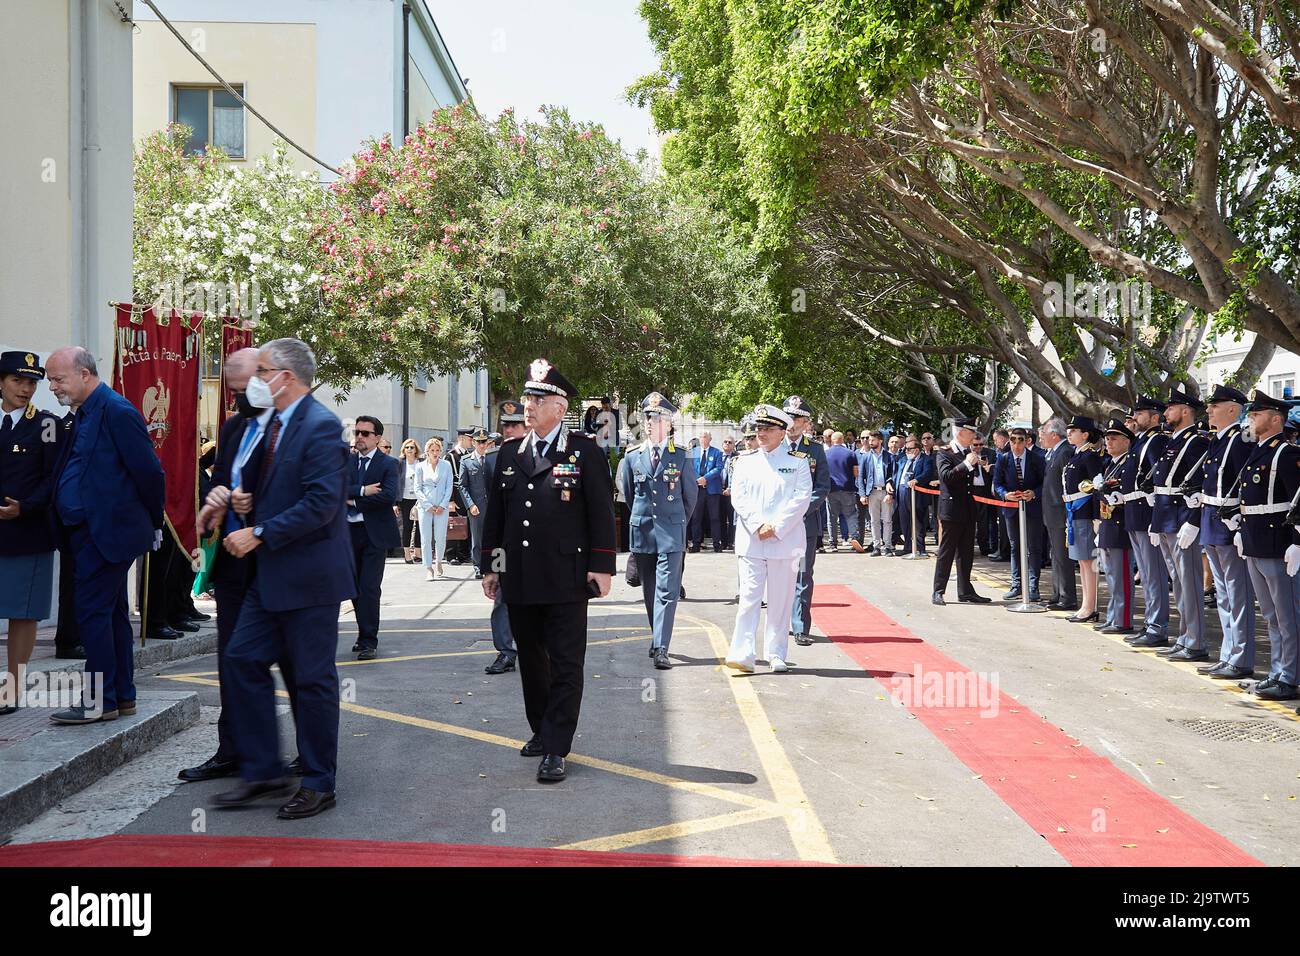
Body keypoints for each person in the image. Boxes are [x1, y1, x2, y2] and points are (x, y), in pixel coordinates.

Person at [211, 337, 354, 820]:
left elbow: (321, 504)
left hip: (309, 577)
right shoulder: (270, 423)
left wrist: (261, 531)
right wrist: (242, 500)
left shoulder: (321, 426)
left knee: (312, 680)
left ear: (285, 378)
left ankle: (318, 781)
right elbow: (267, 483)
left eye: (263, 370)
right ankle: (263, 770)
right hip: (268, 575)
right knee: (241, 658)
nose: (255, 379)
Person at [480, 359, 615, 783]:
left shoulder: (583, 451)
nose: (529, 406)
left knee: (566, 663)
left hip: (567, 577)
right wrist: (493, 569)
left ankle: (557, 746)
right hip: (519, 577)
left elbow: (600, 512)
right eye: (526, 398)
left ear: (560, 406)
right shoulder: (507, 454)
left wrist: (601, 567)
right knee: (532, 662)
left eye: (538, 399)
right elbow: (496, 520)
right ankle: (542, 729)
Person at [46, 347, 164, 725]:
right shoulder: (82, 413)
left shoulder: (117, 411)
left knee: (92, 615)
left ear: (84, 374)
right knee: (111, 616)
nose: (51, 387)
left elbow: (149, 472)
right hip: (87, 532)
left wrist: (155, 523)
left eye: (57, 379)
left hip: (107, 533)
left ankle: (99, 700)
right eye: (50, 379)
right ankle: (121, 695)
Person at [182, 348, 270, 781]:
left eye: (243, 387)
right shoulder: (234, 427)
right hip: (234, 566)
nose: (236, 398)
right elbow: (219, 479)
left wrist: (257, 512)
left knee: (299, 668)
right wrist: (216, 499)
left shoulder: (291, 426)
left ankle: (306, 761)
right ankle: (232, 750)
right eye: (233, 390)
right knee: (233, 660)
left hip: (278, 563)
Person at [726, 404, 812, 672]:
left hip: (784, 542)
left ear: (782, 431)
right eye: (759, 429)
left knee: (780, 601)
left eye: (767, 429)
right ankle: (743, 653)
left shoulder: (798, 462)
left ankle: (776, 653)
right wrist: (758, 525)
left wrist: (775, 526)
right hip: (752, 541)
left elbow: (801, 498)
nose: (761, 433)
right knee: (749, 599)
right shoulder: (744, 461)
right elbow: (738, 497)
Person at [0, 352, 61, 715]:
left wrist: (26, 507)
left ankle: (13, 687)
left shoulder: (48, 425)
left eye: (32, 382)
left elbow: (54, 478)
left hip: (27, 530)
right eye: (18, 381)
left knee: (22, 613)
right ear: (1, 383)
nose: (26, 389)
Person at [1232, 390, 1300, 701]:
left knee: (1288, 616)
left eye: (1256, 415)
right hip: (1255, 541)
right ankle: (1277, 671)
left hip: (1277, 544)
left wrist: (1297, 541)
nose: (1250, 419)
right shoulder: (1258, 452)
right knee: (1272, 615)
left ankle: (1289, 676)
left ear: (1275, 419)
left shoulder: (1286, 454)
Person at [621, 392, 697, 670]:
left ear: (669, 424)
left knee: (667, 592)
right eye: (648, 418)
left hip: (671, 533)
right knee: (650, 592)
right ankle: (657, 637)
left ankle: (661, 647)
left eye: (659, 418)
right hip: (643, 532)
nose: (652, 423)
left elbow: (690, 499)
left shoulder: (682, 457)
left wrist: (675, 523)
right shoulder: (632, 457)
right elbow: (630, 495)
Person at [1192, 385, 1255, 679]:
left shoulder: (1240, 439)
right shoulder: (1217, 440)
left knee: (1237, 592)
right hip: (1212, 521)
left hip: (1227, 523)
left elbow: (1245, 487)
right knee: (1223, 594)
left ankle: (1240, 657)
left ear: (1233, 409)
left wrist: (1240, 523)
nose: (1208, 409)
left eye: (1215, 405)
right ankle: (1228, 654)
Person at [1148, 388, 1210, 661]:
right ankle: (1185, 636)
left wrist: (1192, 521)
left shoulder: (1196, 441)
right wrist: (1155, 522)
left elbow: (1196, 486)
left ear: (1185, 411)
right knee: (1179, 582)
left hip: (1181, 518)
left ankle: (1195, 641)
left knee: (1189, 581)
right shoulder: (1172, 441)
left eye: (1170, 408)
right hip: (1165, 517)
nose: (1165, 413)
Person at [346, 415, 399, 661]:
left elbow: (388, 496)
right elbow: (336, 488)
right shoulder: (347, 461)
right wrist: (362, 491)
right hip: (348, 533)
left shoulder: (388, 464)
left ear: (377, 437)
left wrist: (354, 500)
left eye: (365, 433)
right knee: (354, 588)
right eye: (357, 432)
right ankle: (362, 633)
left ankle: (369, 640)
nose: (359, 437)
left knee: (368, 587)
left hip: (374, 534)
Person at [1119, 396, 1171, 646]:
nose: (1134, 418)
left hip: (1145, 512)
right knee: (1147, 573)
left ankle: (1158, 626)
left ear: (1154, 417)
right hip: (1133, 511)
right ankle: (1151, 622)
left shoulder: (1157, 440)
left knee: (1154, 573)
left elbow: (1156, 478)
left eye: (1140, 414)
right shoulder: (1141, 440)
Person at [483, 400, 526, 675]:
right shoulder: (493, 458)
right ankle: (505, 652)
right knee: (502, 599)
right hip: (505, 547)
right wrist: (490, 564)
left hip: (537, 547)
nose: (509, 430)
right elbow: (494, 513)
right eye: (505, 425)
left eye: (515, 425)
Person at [783, 396, 830, 647]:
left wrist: (800, 511)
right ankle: (779, 624)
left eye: (797, 419)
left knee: (802, 574)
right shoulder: (774, 445)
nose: (792, 423)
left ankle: (800, 627)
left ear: (805, 422)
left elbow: (822, 486)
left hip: (804, 523)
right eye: (788, 418)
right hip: (777, 526)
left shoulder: (815, 449)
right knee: (779, 575)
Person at [931, 418, 991, 606]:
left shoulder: (968, 452)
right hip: (951, 509)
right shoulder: (944, 453)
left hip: (967, 508)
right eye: (971, 432)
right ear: (960, 433)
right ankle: (938, 590)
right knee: (947, 552)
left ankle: (965, 591)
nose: (974, 436)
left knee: (966, 552)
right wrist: (966, 464)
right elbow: (947, 477)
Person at [993, 426, 1045, 602]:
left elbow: (1044, 483)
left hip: (1032, 509)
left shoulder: (1037, 459)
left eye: (1020, 440)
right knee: (1015, 546)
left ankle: (1033, 587)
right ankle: (1016, 585)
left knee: (1033, 548)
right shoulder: (1003, 459)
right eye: (1013, 440)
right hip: (1011, 508)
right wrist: (1005, 494)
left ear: (1027, 441)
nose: (1016, 444)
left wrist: (1034, 493)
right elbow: (997, 483)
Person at [1093, 419, 1134, 633]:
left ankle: (1123, 620)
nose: (1108, 442)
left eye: (1114, 438)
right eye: (1107, 438)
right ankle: (1113, 616)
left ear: (1127, 441)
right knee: (1110, 576)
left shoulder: (1128, 463)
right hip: (1108, 523)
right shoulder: (1110, 464)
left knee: (1121, 577)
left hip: (1120, 525)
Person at [1061, 416, 1104, 622]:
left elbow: (1098, 488)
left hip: (1085, 512)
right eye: (1069, 430)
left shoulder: (1090, 456)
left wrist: (1097, 517)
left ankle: (1090, 606)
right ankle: (1085, 604)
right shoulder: (1076, 455)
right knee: (1082, 561)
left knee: (1088, 560)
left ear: (1085, 434)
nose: (1069, 433)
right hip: (1074, 511)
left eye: (1074, 430)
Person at [1039, 418, 1078, 612]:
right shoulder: (1054, 452)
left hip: (1060, 512)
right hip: (1051, 512)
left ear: (1054, 435)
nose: (1042, 438)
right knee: (1056, 555)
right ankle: (1057, 593)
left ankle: (1067, 596)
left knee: (1063, 557)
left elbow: (1067, 485)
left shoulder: (1064, 452)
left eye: (1044, 434)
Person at [459, 427, 493, 580]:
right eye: (478, 442)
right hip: (476, 506)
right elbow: (462, 485)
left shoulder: (493, 459)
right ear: (473, 443)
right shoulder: (466, 461)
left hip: (493, 505)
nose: (481, 445)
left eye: (484, 442)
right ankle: (478, 566)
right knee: (477, 538)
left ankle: (493, 565)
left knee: (493, 536)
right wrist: (470, 504)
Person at [417, 437, 454, 580]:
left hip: (441, 507)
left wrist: (443, 505)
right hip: (425, 507)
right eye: (432, 450)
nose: (435, 452)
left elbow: (449, 486)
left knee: (440, 536)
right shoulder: (420, 466)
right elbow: (417, 488)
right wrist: (427, 505)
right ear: (427, 451)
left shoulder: (446, 465)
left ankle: (439, 561)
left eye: (437, 450)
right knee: (425, 538)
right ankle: (428, 567)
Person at [892, 435, 934, 556]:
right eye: (906, 449)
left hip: (917, 493)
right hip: (901, 491)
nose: (906, 451)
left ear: (916, 449)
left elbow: (927, 473)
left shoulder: (926, 459)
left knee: (918, 522)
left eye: (909, 449)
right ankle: (908, 547)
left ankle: (921, 549)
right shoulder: (903, 459)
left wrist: (917, 480)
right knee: (905, 521)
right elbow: (896, 474)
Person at [824, 431, 863, 552]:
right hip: (847, 488)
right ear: (842, 439)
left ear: (832, 440)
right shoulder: (850, 454)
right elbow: (856, 473)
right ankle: (854, 537)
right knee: (850, 514)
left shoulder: (825, 454)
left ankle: (833, 543)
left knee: (831, 517)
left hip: (831, 489)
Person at [857, 431, 895, 555]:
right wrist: (862, 494)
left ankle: (888, 546)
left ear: (880, 441)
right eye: (869, 439)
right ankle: (876, 546)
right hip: (872, 492)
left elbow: (893, 475)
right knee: (874, 521)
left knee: (887, 520)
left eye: (873, 440)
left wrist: (891, 494)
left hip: (885, 492)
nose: (870, 442)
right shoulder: (866, 457)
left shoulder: (889, 456)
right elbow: (860, 477)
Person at [689, 431, 725, 552]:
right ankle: (696, 544)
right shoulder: (692, 453)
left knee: (715, 517)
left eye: (705, 437)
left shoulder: (717, 452)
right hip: (697, 489)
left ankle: (717, 544)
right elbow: (689, 468)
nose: (703, 439)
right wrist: (698, 479)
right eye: (701, 437)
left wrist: (705, 478)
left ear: (710, 439)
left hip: (712, 490)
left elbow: (719, 468)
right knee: (696, 518)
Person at [396, 439, 422, 562]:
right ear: (404, 450)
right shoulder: (400, 463)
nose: (410, 449)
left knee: (420, 526)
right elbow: (395, 484)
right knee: (408, 526)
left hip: (420, 499)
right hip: (405, 498)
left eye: (412, 447)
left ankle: (418, 552)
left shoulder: (421, 462)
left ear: (416, 449)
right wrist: (395, 504)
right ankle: (407, 554)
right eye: (407, 447)